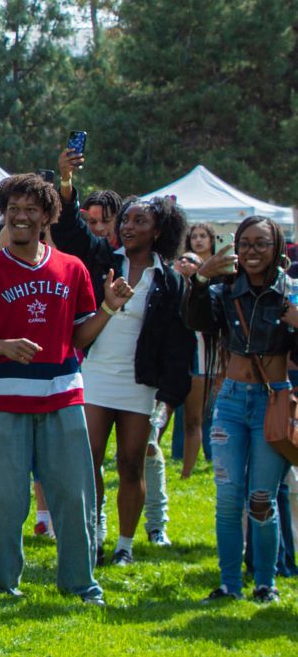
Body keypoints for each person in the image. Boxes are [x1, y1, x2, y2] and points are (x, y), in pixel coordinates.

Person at [0, 173, 122, 604]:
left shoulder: (72, 268)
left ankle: (81, 584)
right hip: (2, 401)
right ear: (4, 214)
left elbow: (80, 337)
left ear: (47, 216)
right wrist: (2, 346)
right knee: (1, 501)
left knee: (74, 498)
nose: (21, 217)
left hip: (63, 397)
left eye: (31, 210)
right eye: (13, 210)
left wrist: (108, 308)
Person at [55, 146, 193, 563]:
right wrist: (67, 181)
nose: (129, 227)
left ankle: (125, 546)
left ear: (158, 230)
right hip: (97, 374)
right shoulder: (101, 257)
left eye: (139, 221)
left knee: (131, 464)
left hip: (141, 383)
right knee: (89, 460)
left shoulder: (169, 281)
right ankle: (95, 533)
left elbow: (178, 345)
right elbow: (70, 231)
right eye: (126, 220)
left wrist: (167, 400)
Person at [186, 216, 298, 605]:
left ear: (276, 247)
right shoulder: (224, 290)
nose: (252, 251)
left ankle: (266, 583)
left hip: (273, 403)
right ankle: (229, 584)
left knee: (262, 499)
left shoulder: (291, 292)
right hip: (231, 401)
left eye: (261, 243)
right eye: (245, 243)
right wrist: (201, 278)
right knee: (229, 498)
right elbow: (195, 319)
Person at [173, 222, 218, 477]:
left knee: (199, 416)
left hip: (202, 357)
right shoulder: (172, 283)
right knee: (175, 415)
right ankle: (175, 458)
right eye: (195, 236)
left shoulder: (212, 284)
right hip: (177, 356)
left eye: (203, 236)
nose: (199, 240)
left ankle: (193, 467)